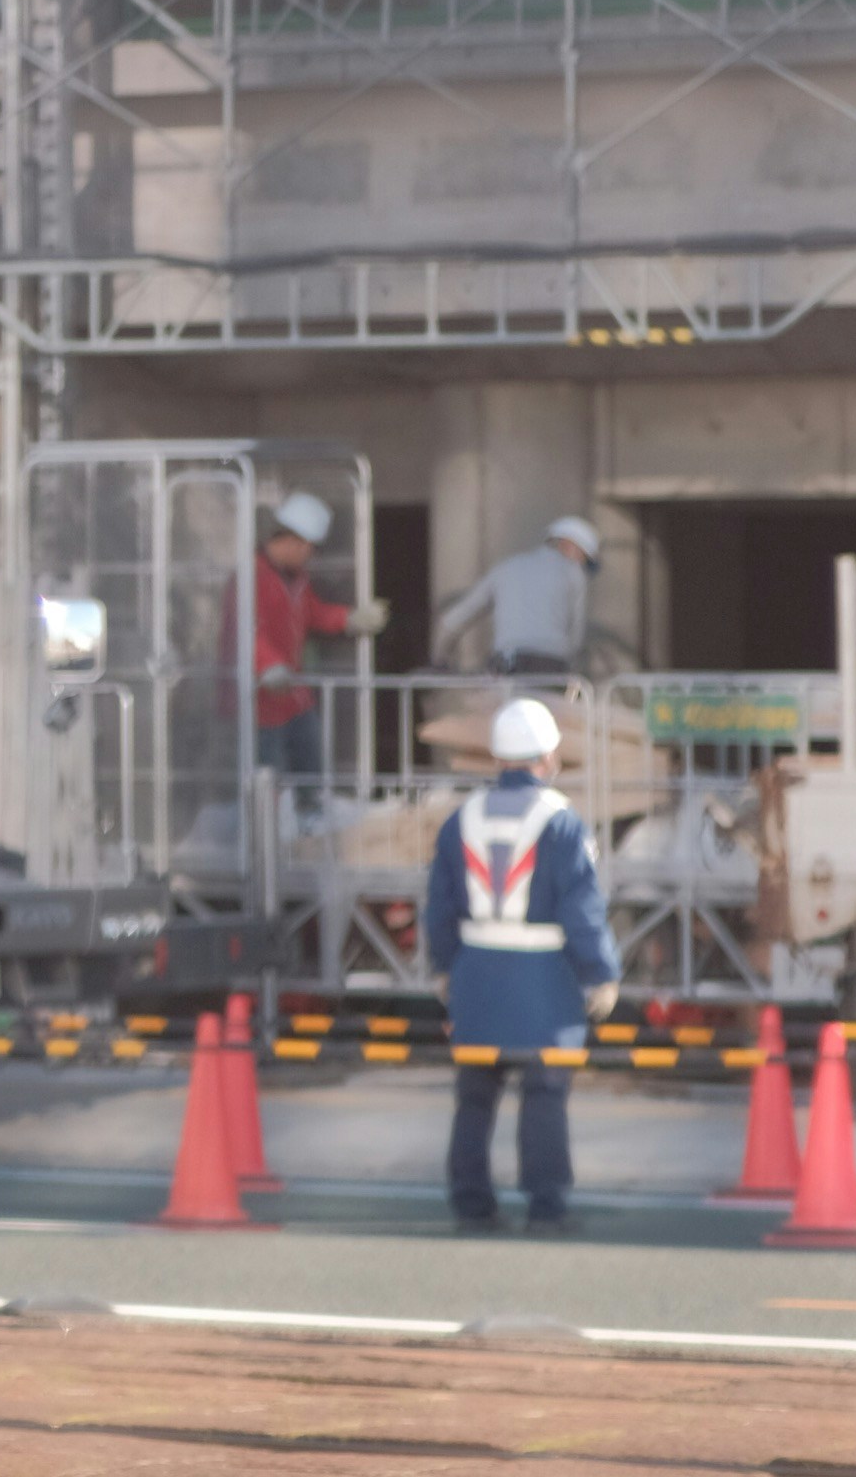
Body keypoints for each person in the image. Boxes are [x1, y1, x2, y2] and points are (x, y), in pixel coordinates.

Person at [424, 692, 617, 1236]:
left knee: (474, 1097)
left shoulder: (461, 820)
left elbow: (438, 907)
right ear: (548, 758)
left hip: (477, 978)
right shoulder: (561, 824)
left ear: (496, 758)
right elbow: (582, 909)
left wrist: (444, 967)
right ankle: (546, 1209)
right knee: (544, 1096)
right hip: (544, 982)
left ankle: (471, 1205)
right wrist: (600, 973)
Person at [246, 489, 386, 782]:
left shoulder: (295, 579)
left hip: (292, 693)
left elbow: (312, 612)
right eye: (308, 547)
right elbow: (245, 632)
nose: (309, 556)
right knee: (267, 774)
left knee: (311, 765)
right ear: (291, 540)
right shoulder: (250, 577)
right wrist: (268, 664)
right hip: (259, 697)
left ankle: (311, 817)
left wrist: (351, 619)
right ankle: (270, 823)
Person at [432, 513, 601, 678]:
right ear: (569, 545)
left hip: (506, 666)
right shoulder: (574, 573)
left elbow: (454, 620)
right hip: (551, 669)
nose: (583, 565)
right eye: (584, 558)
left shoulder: (505, 568)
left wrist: (440, 659)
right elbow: (576, 636)